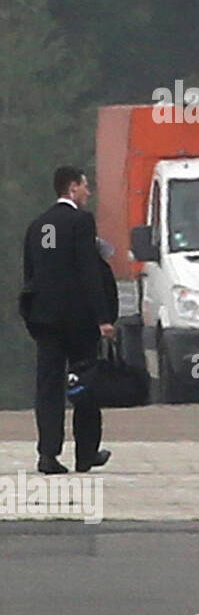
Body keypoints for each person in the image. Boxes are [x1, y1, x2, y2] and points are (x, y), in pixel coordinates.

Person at [20, 166, 115, 475]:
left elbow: (30, 274)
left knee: (48, 387)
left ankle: (48, 454)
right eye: (85, 186)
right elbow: (89, 270)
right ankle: (85, 453)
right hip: (78, 319)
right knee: (83, 382)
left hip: (44, 319)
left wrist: (31, 312)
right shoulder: (81, 221)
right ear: (72, 188)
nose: (88, 192)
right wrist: (103, 317)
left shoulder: (37, 225)